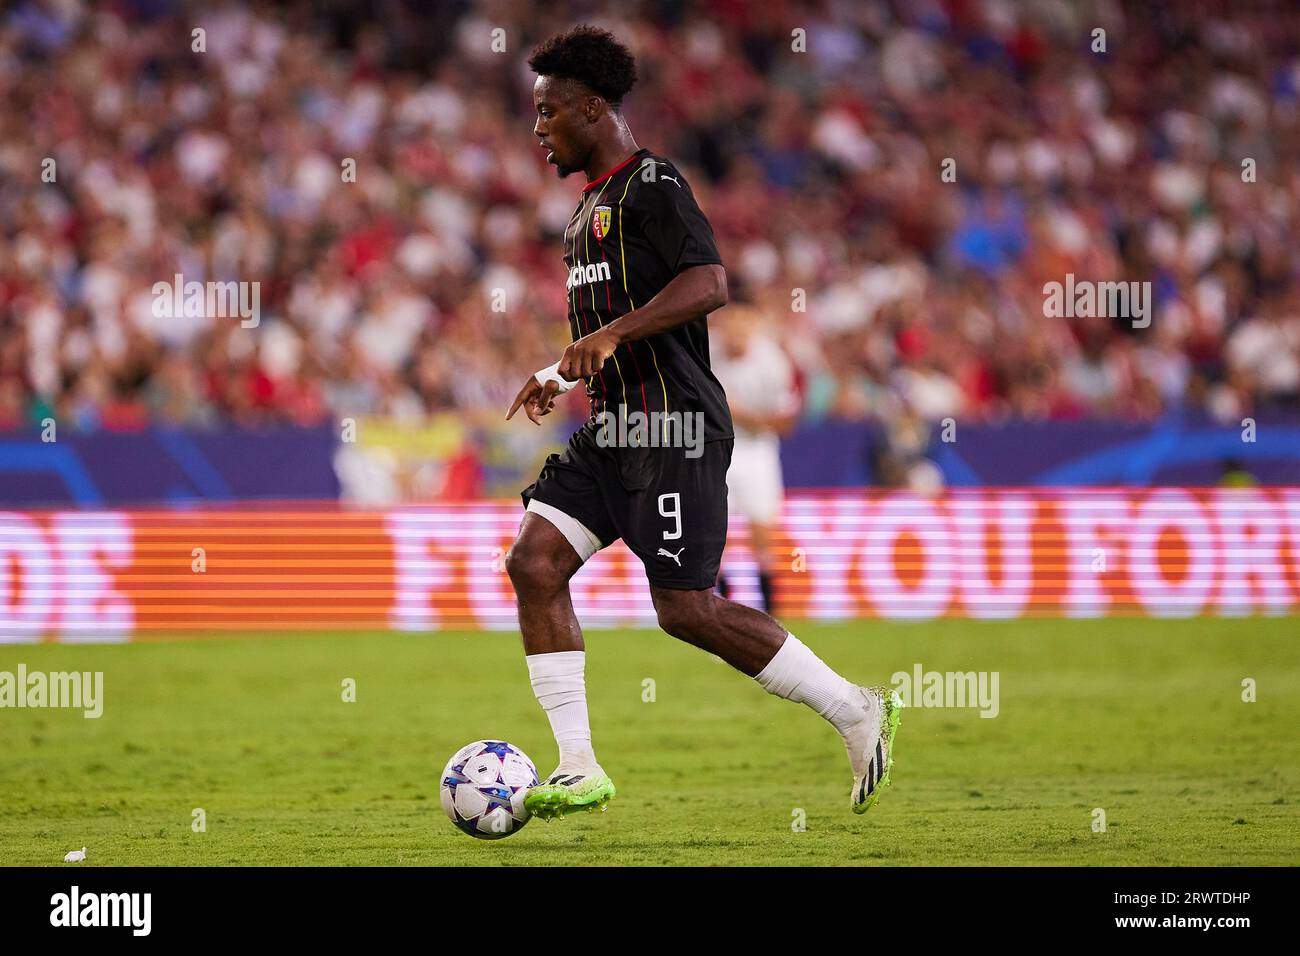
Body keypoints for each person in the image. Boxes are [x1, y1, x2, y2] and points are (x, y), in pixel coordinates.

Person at [504, 26, 900, 820]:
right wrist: (560, 369)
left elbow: (709, 282)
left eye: (548, 112)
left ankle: (854, 707)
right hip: (613, 428)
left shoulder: (654, 185)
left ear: (591, 109)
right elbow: (611, 328)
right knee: (535, 564)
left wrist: (610, 335)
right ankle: (578, 766)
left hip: (672, 428)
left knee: (685, 608)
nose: (538, 129)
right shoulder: (586, 210)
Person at [710, 303, 800, 613]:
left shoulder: (773, 362)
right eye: (730, 321)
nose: (736, 329)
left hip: (757, 450)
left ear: (754, 324)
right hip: (714, 450)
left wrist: (736, 412)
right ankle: (719, 612)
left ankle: (771, 615)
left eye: (743, 322)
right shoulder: (704, 352)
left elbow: (786, 424)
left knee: (762, 530)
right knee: (713, 530)